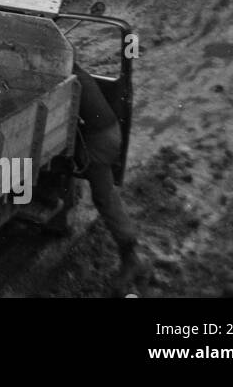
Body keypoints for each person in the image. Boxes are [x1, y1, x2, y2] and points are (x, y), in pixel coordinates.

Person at [73, 62, 143, 293]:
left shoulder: (70, 76)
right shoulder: (75, 71)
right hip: (105, 132)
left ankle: (131, 257)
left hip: (101, 139)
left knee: (104, 198)